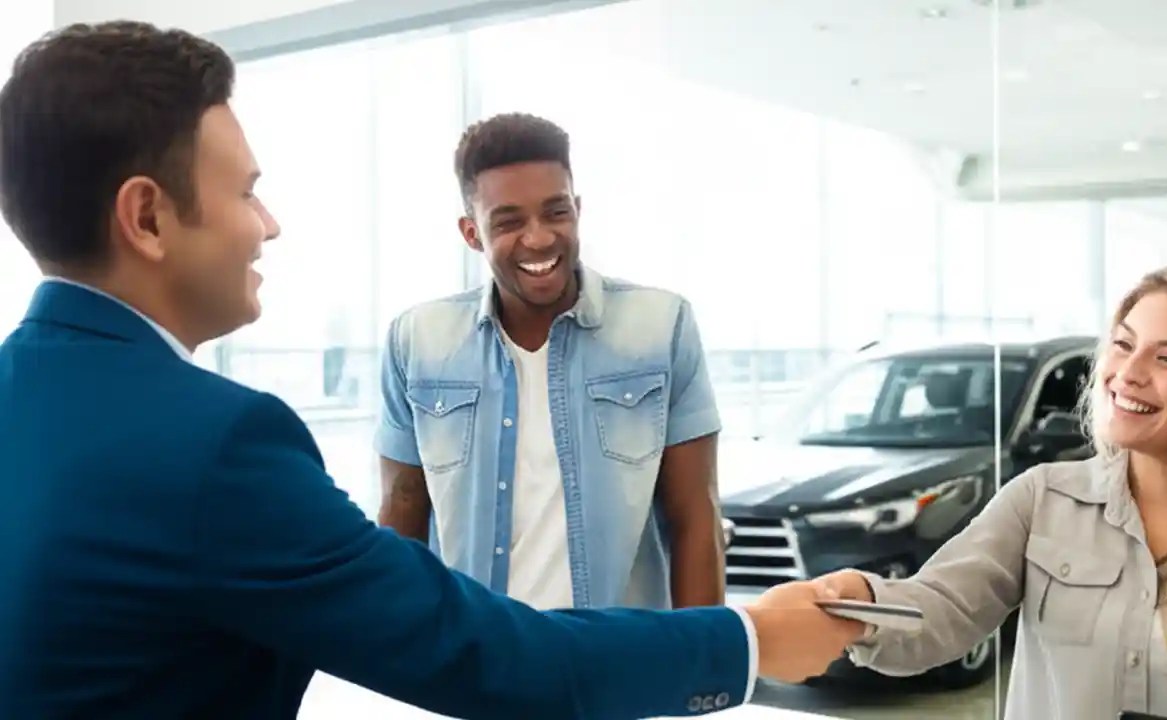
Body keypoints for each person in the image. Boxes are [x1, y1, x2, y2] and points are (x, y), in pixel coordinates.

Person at [0, 21, 869, 720]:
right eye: (245, 192)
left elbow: (688, 516)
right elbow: (475, 644)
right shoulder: (219, 444)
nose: (267, 225)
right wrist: (750, 638)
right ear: (148, 218)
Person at [839, 262, 1167, 719]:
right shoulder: (1041, 499)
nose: (1128, 373)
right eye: (1123, 345)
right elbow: (939, 609)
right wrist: (849, 603)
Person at [376, 113, 725, 611]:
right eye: (509, 222)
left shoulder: (660, 327)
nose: (538, 238)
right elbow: (401, 514)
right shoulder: (417, 342)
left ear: (577, 210)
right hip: (477, 648)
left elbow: (695, 516)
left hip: (620, 648)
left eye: (556, 212)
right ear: (472, 233)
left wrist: (704, 652)